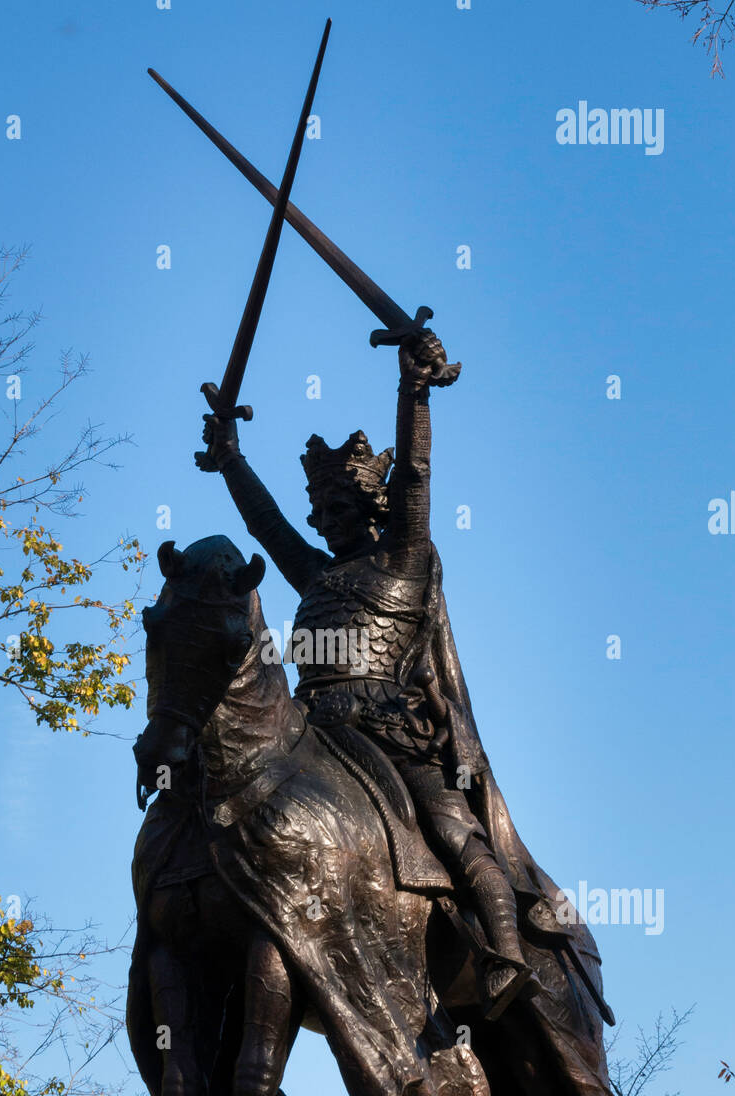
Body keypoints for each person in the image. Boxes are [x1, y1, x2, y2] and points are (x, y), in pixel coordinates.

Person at [196, 331, 538, 1016]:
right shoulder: (318, 574)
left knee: (447, 828)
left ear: (370, 509)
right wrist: (231, 458)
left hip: (388, 731)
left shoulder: (405, 558)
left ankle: (504, 949)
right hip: (313, 732)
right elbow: (266, 526)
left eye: (337, 511)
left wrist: (412, 390)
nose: (323, 524)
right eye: (318, 513)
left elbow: (415, 476)